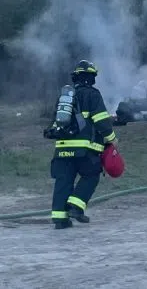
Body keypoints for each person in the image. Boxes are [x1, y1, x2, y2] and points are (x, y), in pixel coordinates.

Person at [50, 61, 117, 229]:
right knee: (91, 176)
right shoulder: (92, 95)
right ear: (92, 78)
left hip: (62, 149)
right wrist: (112, 139)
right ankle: (76, 207)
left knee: (63, 182)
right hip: (86, 150)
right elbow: (101, 121)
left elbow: (55, 124)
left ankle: (60, 219)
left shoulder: (65, 97)